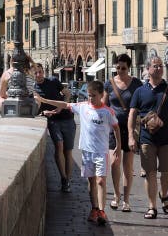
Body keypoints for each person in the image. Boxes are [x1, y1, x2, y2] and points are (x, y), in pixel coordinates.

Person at [35, 81, 120, 226]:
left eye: (93, 96)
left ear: (101, 95)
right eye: (89, 95)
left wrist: (118, 145)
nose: (90, 98)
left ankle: (101, 210)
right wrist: (44, 101)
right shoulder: (83, 107)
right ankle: (94, 208)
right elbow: (64, 105)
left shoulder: (108, 112)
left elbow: (116, 128)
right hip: (87, 152)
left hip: (101, 152)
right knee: (91, 181)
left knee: (101, 180)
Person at [128, 56, 168, 220]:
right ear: (148, 69)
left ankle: (163, 193)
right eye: (155, 66)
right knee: (150, 173)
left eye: (161, 66)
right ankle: (152, 206)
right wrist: (131, 136)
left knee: (167, 173)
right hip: (147, 139)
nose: (159, 68)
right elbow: (132, 114)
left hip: (167, 139)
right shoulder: (140, 91)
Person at [102, 53, 142, 212]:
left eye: (123, 68)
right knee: (114, 162)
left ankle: (126, 200)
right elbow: (104, 105)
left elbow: (141, 103)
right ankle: (116, 196)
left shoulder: (137, 84)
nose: (120, 71)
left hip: (131, 129)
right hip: (114, 129)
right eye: (117, 68)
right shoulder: (109, 83)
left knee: (128, 165)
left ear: (129, 67)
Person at [33, 63, 75, 193]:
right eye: (35, 72)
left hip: (67, 118)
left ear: (43, 72)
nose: (38, 75)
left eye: (40, 72)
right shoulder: (33, 89)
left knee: (68, 152)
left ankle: (67, 180)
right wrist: (42, 113)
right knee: (59, 146)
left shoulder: (53, 81)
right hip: (53, 121)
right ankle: (63, 178)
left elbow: (67, 94)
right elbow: (33, 110)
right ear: (32, 74)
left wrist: (62, 106)